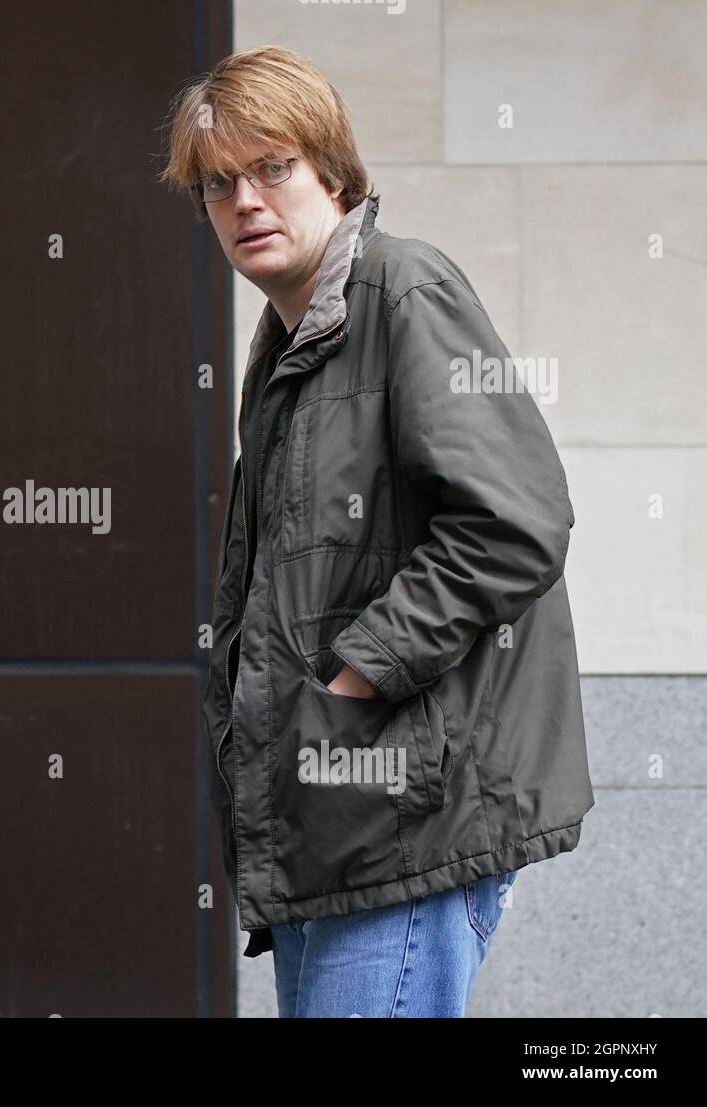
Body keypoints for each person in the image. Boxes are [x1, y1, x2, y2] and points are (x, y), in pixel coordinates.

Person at [160, 47, 594, 1017]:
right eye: (218, 184)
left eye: (272, 167)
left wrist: (352, 682)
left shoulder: (403, 295)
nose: (245, 202)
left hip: (403, 819)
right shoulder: (291, 342)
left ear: (335, 174)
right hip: (326, 820)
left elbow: (515, 522)